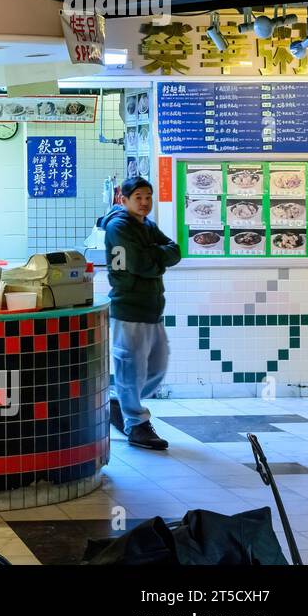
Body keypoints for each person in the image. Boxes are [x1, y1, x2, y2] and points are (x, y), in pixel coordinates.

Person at [97, 176, 181, 450]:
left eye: (148, 197)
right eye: (138, 198)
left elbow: (175, 251)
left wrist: (152, 256)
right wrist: (156, 258)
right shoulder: (119, 227)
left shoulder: (147, 225)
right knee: (131, 369)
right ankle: (136, 424)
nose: (144, 202)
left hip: (152, 307)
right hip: (129, 307)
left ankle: (120, 401)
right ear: (124, 200)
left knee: (158, 366)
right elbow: (140, 264)